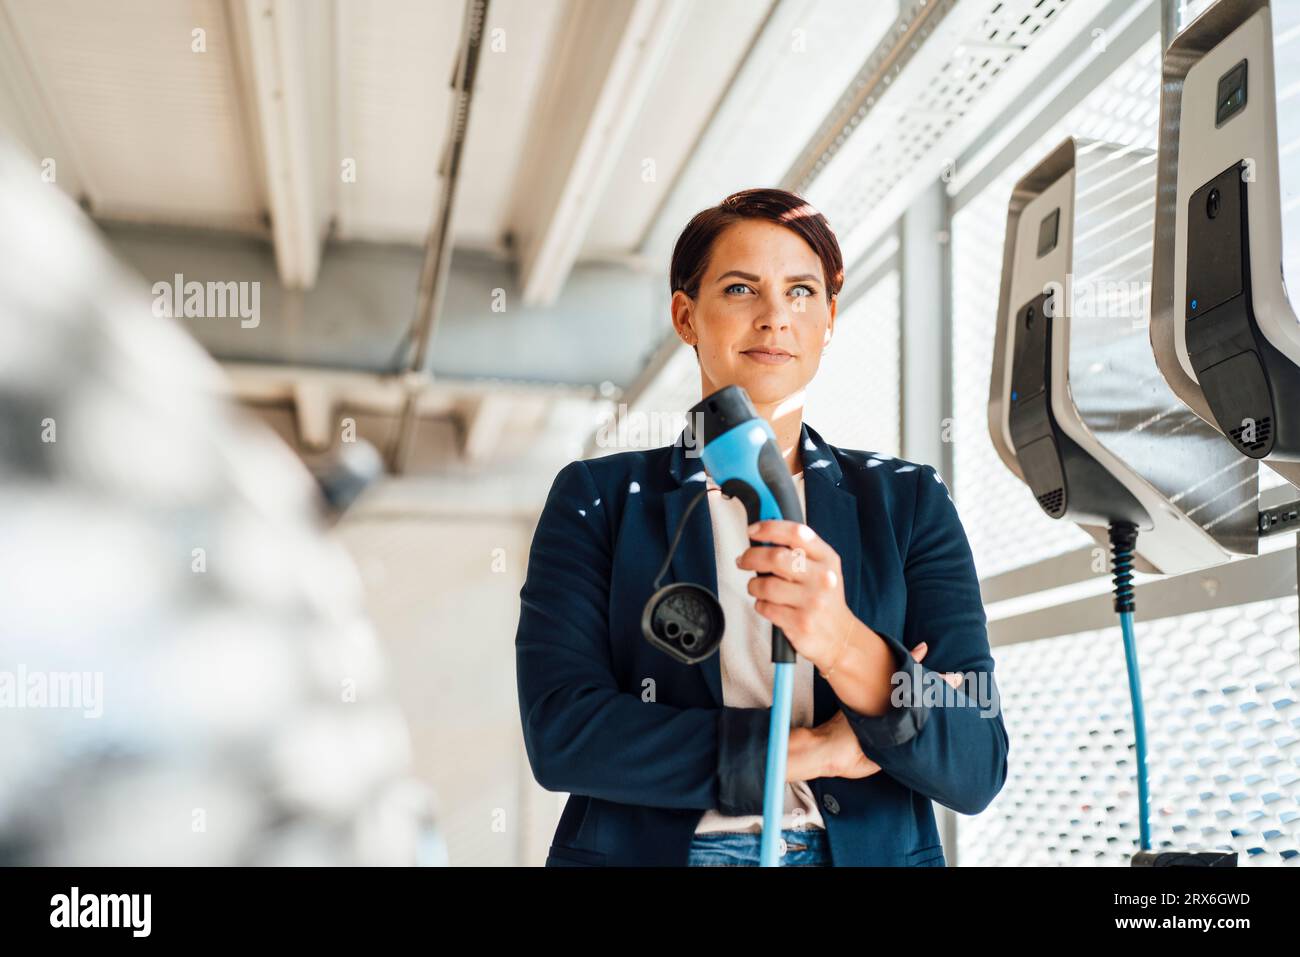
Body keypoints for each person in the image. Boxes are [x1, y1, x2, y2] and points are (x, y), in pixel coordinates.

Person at [515, 187, 1008, 866]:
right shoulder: (599, 499)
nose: (776, 316)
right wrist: (806, 751)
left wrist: (841, 639)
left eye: (802, 292)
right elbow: (564, 732)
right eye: (742, 288)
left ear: (830, 318)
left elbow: (975, 761)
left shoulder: (908, 502)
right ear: (687, 316)